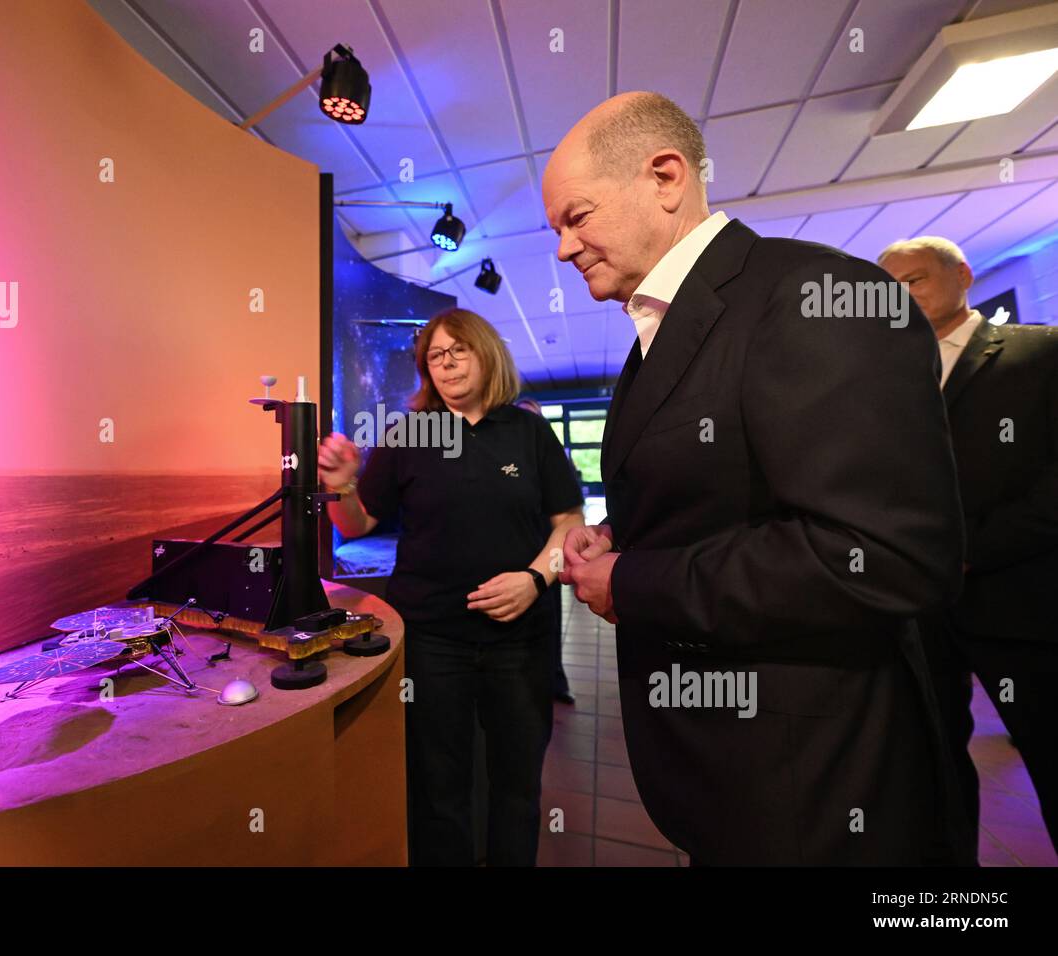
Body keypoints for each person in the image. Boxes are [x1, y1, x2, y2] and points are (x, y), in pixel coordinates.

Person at [543, 91, 969, 864]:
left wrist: (631, 581)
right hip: (729, 779)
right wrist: (623, 535)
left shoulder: (820, 301)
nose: (564, 249)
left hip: (813, 789)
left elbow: (881, 556)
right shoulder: (657, 338)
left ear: (666, 177)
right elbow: (721, 500)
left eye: (576, 217)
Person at [318, 308, 584, 866]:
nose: (446, 363)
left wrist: (536, 578)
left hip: (520, 643)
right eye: (435, 356)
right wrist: (340, 487)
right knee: (438, 787)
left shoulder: (528, 431)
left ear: (486, 352)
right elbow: (360, 521)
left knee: (517, 788)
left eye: (457, 349)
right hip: (433, 640)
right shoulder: (409, 434)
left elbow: (570, 523)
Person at [880, 235, 1058, 858]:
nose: (899, 297)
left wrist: (966, 551)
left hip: (1024, 609)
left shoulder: (1042, 352)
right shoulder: (883, 382)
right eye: (888, 287)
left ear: (962, 275)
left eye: (914, 280)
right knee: (933, 777)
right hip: (920, 615)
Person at [514, 395, 575, 706]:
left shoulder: (553, 456)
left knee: (550, 618)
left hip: (549, 552)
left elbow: (569, 513)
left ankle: (555, 680)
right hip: (522, 550)